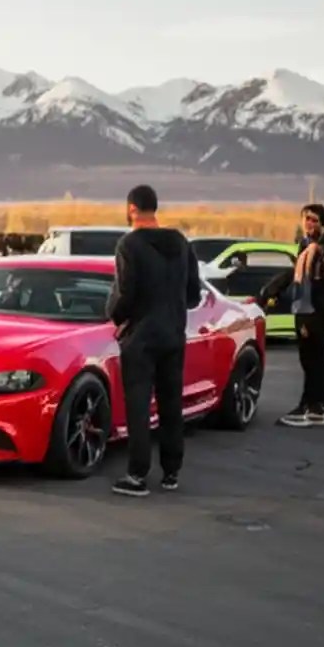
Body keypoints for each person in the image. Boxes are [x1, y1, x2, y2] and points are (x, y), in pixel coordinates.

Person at [106, 185, 201, 497]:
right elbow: (193, 294)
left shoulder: (129, 245)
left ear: (132, 208)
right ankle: (172, 471)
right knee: (171, 402)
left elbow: (124, 293)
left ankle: (137, 474)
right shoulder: (181, 243)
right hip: (174, 334)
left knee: (138, 405)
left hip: (141, 338)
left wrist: (116, 317)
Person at [260, 204, 324, 427]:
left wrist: (317, 251)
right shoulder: (306, 245)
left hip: (315, 310)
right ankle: (319, 406)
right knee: (316, 356)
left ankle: (306, 406)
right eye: (306, 219)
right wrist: (274, 289)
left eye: (314, 220)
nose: (309, 223)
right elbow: (296, 273)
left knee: (311, 357)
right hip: (307, 307)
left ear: (322, 223)